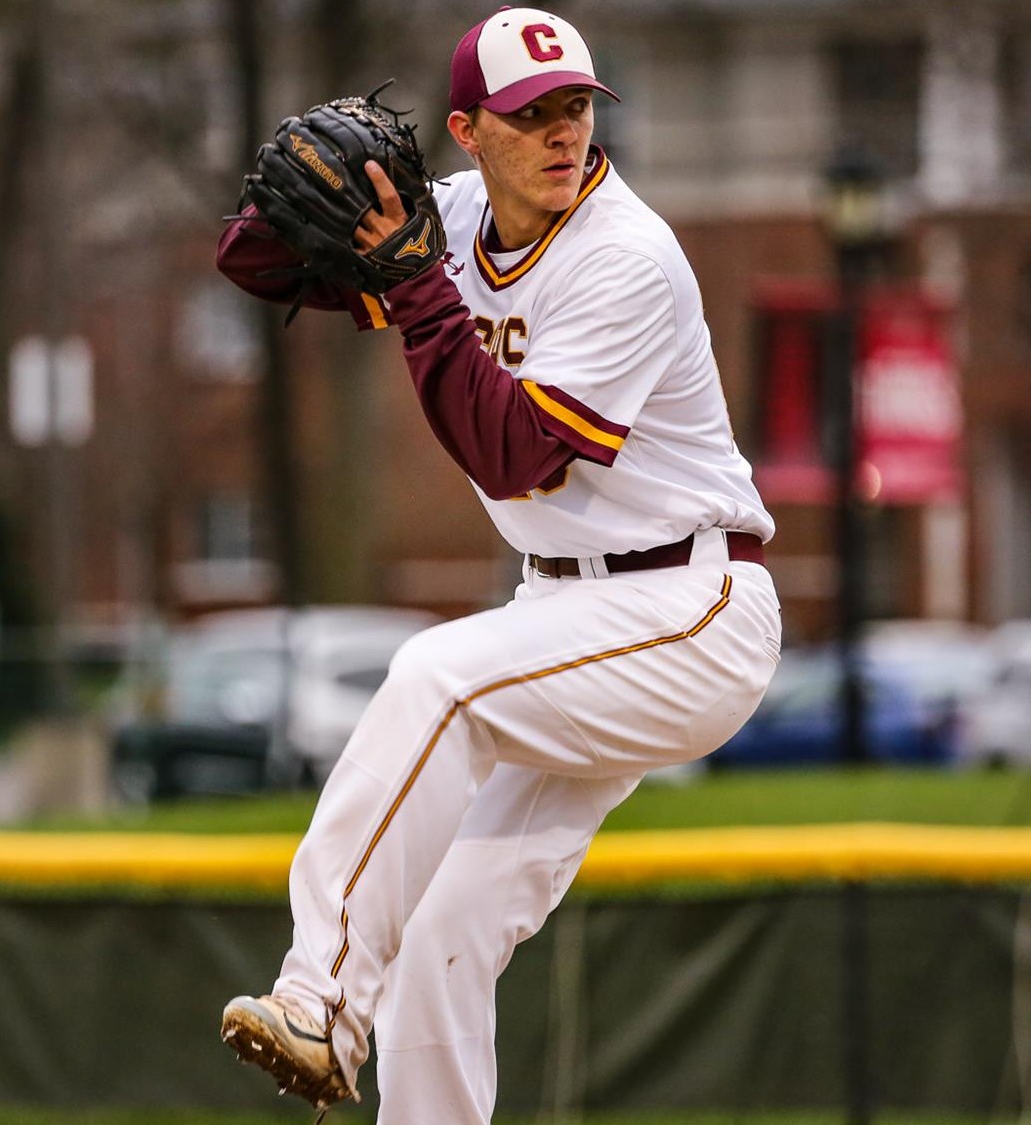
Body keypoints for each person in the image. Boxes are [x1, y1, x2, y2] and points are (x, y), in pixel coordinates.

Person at [213, 7, 781, 1122]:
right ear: (468, 131)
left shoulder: (625, 256)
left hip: (690, 608)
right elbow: (251, 264)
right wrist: (304, 186)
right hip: (571, 617)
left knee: (437, 677)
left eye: (575, 106)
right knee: (441, 932)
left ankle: (318, 996)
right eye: (531, 116)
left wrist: (420, 292)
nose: (563, 133)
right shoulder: (456, 215)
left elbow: (513, 458)